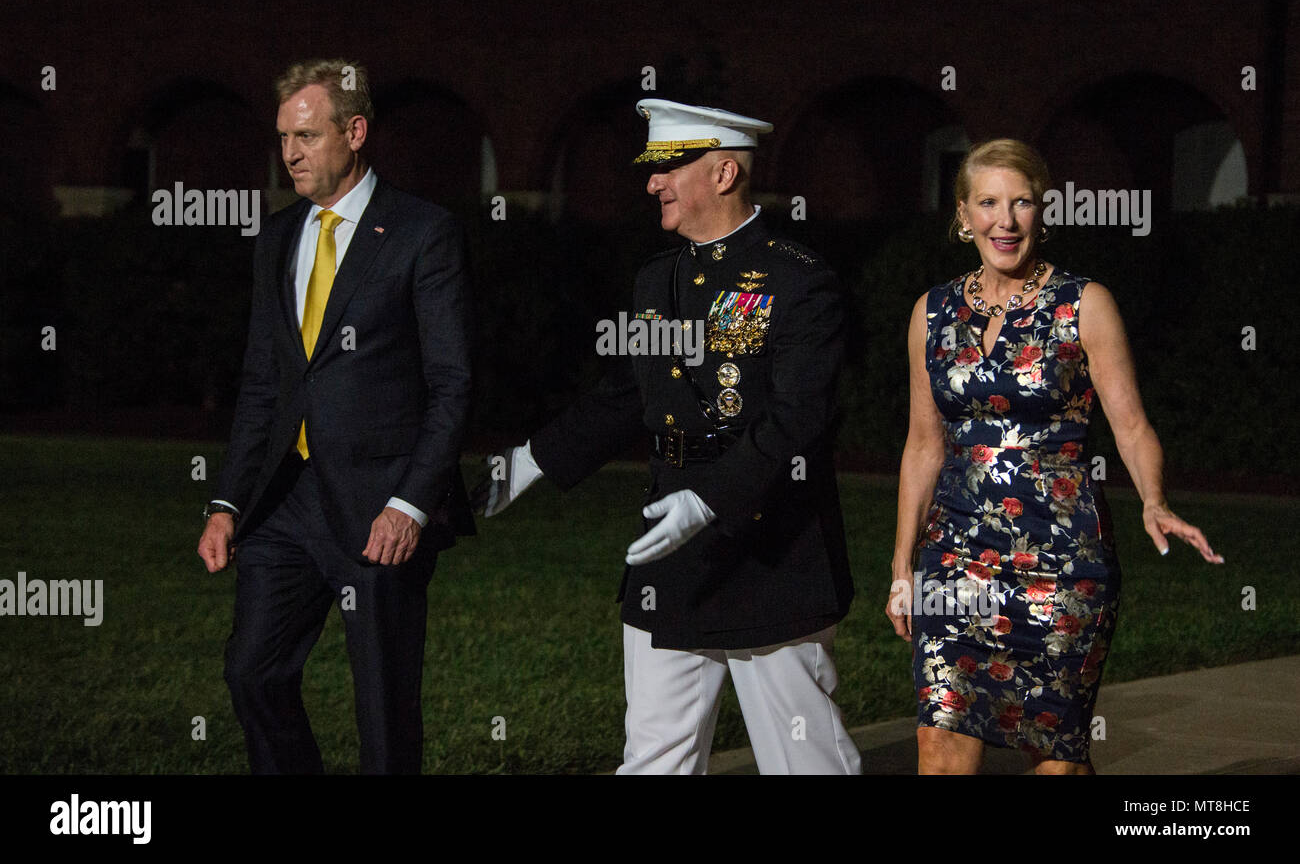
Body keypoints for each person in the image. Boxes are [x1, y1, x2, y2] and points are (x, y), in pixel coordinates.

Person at [476, 99, 860, 774]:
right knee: (654, 759)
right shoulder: (660, 278)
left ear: (724, 172)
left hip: (770, 552)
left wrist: (710, 500)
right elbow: (631, 393)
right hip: (672, 556)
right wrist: (532, 460)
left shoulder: (799, 281)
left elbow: (799, 421)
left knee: (805, 762)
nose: (653, 183)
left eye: (670, 168)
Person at [886, 138, 1223, 774]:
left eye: (1021, 204)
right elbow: (924, 444)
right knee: (940, 738)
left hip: (1062, 560)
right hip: (953, 555)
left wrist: (1153, 498)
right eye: (988, 203)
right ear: (962, 215)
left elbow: (1131, 426)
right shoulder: (930, 313)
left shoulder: (1083, 304)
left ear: (1044, 212)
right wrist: (903, 564)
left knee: (1054, 750)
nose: (1004, 221)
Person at [195, 58, 474, 774]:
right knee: (251, 672)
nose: (290, 153)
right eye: (285, 136)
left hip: (380, 509)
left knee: (383, 707)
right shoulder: (279, 237)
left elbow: (452, 383)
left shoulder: (422, 232)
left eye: (308, 136)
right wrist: (227, 501)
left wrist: (410, 504)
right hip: (283, 503)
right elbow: (263, 380)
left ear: (355, 132)